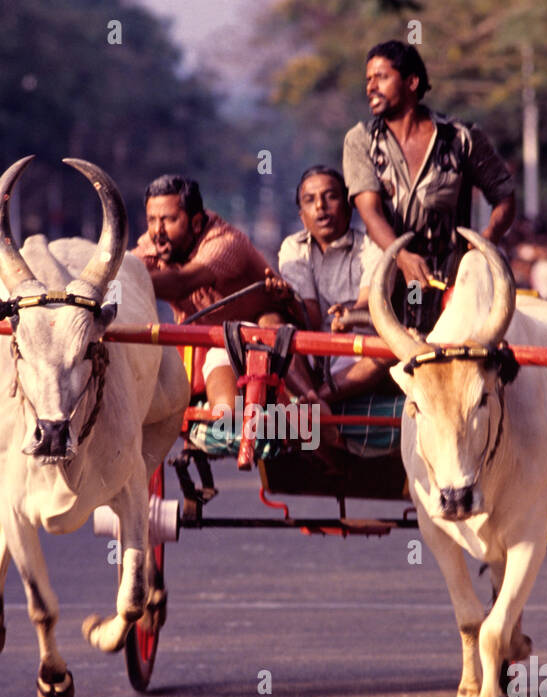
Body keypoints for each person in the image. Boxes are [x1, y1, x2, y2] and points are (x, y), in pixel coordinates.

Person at [342, 40, 515, 333]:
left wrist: (487, 240)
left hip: (452, 292)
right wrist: (401, 257)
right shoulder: (361, 141)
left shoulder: (461, 138)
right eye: (368, 79)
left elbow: (505, 197)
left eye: (381, 77)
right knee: (391, 370)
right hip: (387, 288)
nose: (370, 87)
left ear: (412, 82)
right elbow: (370, 214)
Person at [133, 173, 316, 419]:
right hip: (218, 345)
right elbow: (126, 266)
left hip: (269, 337)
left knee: (272, 325)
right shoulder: (157, 242)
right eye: (151, 220)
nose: (158, 230)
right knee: (225, 414)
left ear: (196, 223)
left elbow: (181, 283)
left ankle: (310, 403)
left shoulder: (226, 243)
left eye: (169, 220)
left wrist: (127, 278)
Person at [276, 165, 387, 402]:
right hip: (310, 354)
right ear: (302, 217)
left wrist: (351, 315)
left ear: (348, 209)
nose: (320, 207)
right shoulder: (293, 247)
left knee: (389, 351)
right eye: (310, 200)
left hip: (356, 354)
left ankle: (317, 401)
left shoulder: (372, 247)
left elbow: (368, 301)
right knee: (272, 328)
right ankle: (311, 396)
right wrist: (284, 298)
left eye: (330, 197)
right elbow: (312, 317)